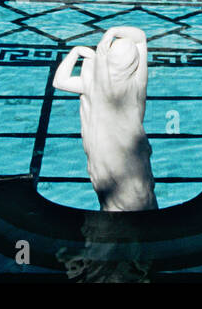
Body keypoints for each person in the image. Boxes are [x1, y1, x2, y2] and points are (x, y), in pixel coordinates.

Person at [53, 27, 157, 211]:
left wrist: (76, 51)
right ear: (132, 62)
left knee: (114, 202)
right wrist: (112, 32)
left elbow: (59, 81)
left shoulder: (93, 83)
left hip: (106, 158)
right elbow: (141, 38)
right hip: (134, 155)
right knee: (142, 196)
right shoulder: (136, 85)